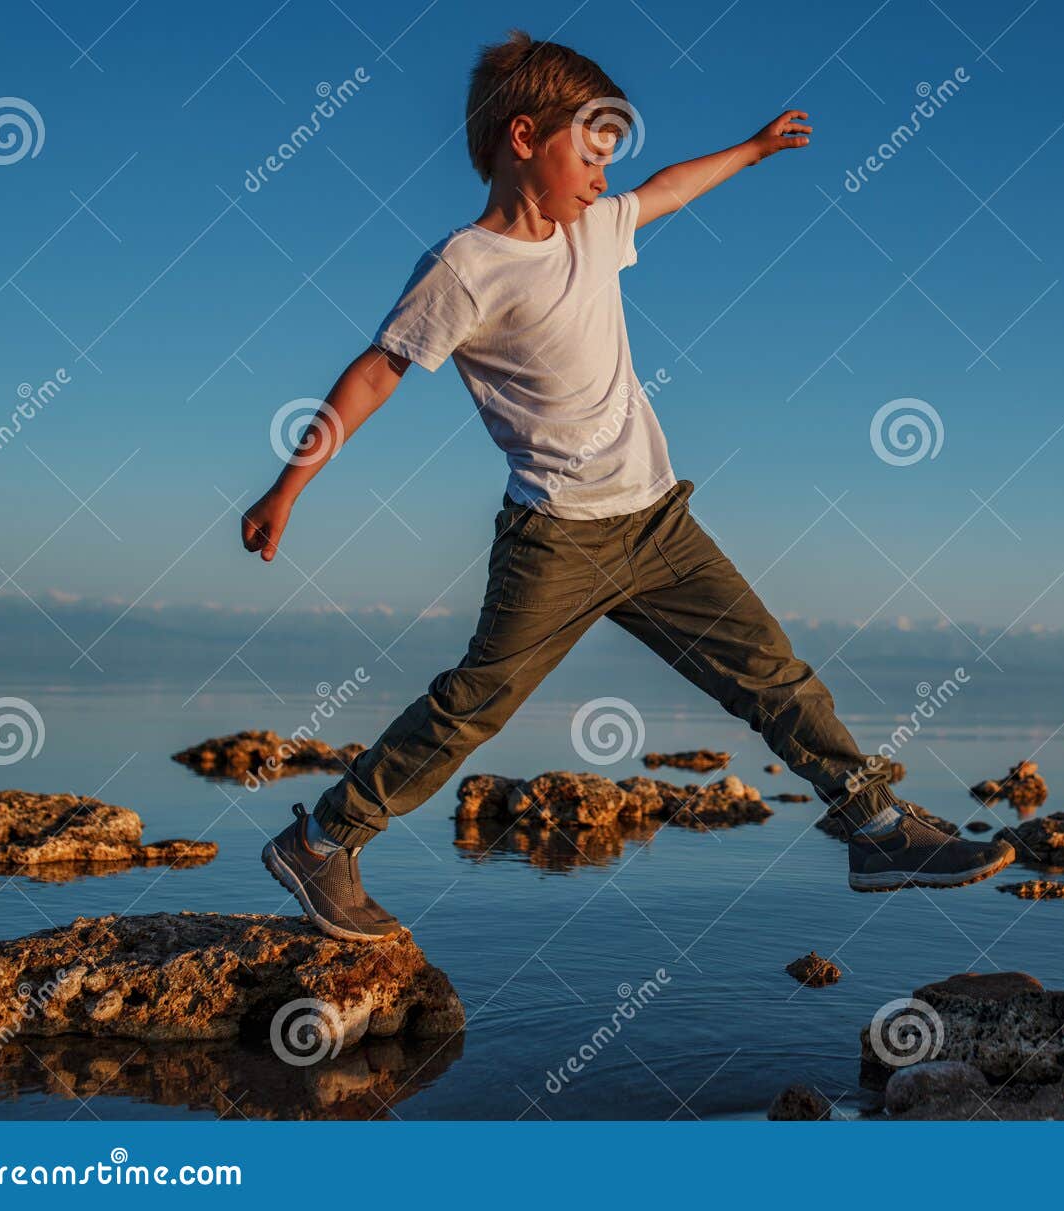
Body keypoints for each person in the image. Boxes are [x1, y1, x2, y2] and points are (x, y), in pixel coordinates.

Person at [242, 30, 1014, 942]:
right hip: (556, 539)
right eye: (591, 156)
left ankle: (876, 829)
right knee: (472, 706)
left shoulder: (595, 230)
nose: (604, 179)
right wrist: (288, 486)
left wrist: (754, 149)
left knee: (777, 678)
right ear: (523, 139)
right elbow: (378, 371)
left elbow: (670, 188)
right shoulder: (465, 268)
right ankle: (323, 841)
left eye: (610, 160)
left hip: (659, 526)